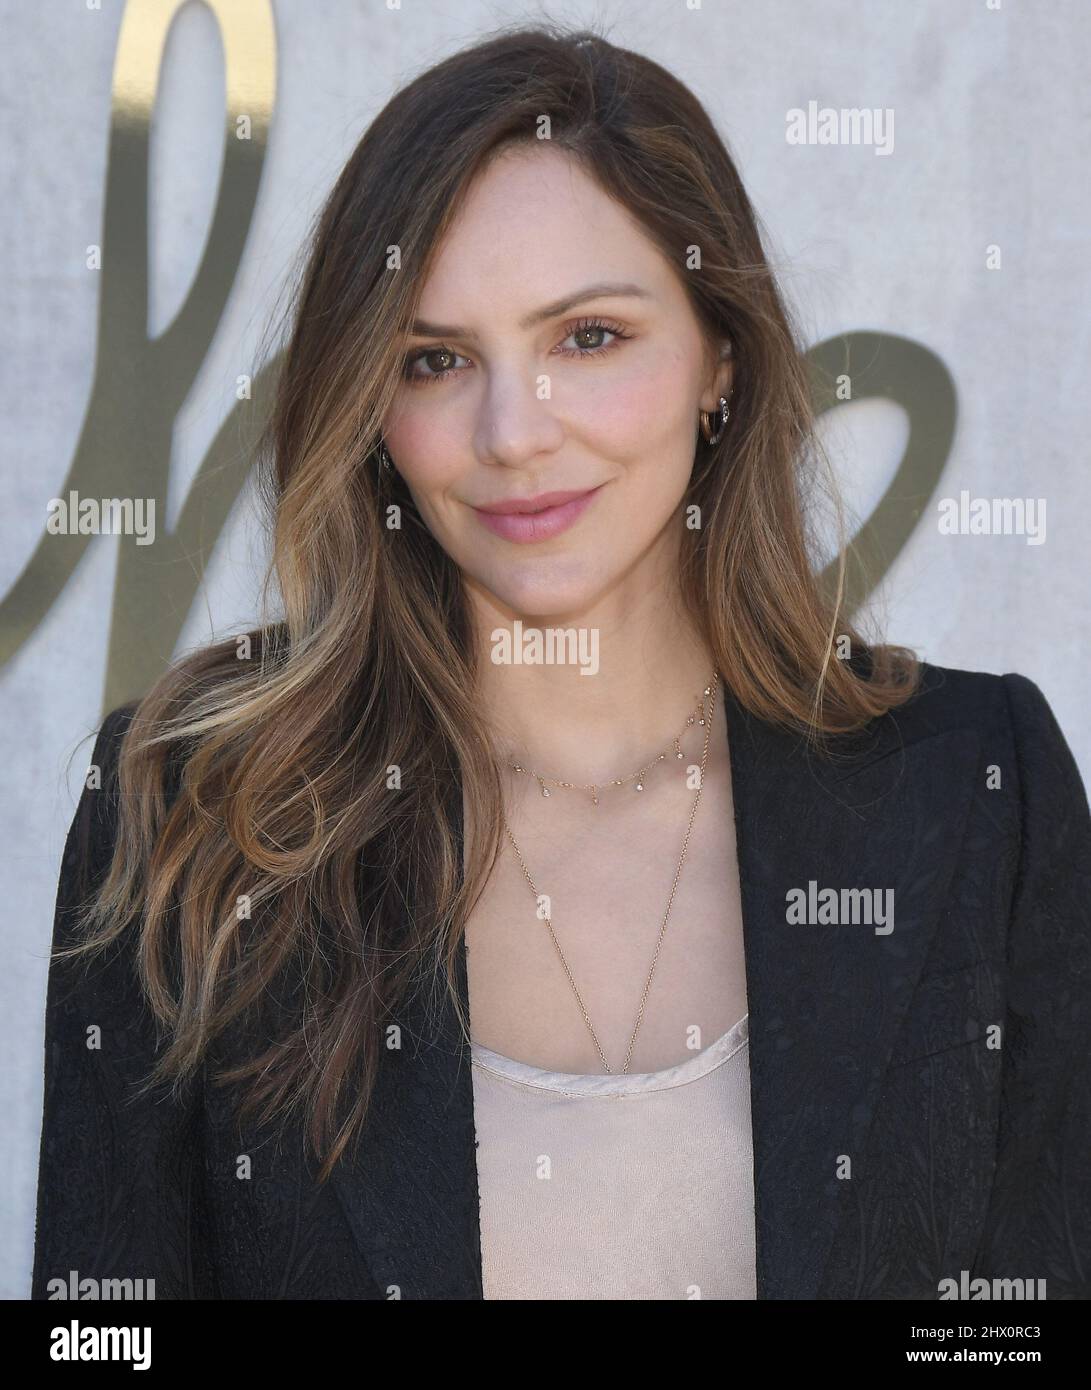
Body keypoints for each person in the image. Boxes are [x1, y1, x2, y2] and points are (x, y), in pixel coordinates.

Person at [31, 23, 1091, 1301]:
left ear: (720, 358)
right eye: (435, 359)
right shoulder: (191, 809)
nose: (511, 432)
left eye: (586, 337)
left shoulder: (982, 793)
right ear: (372, 409)